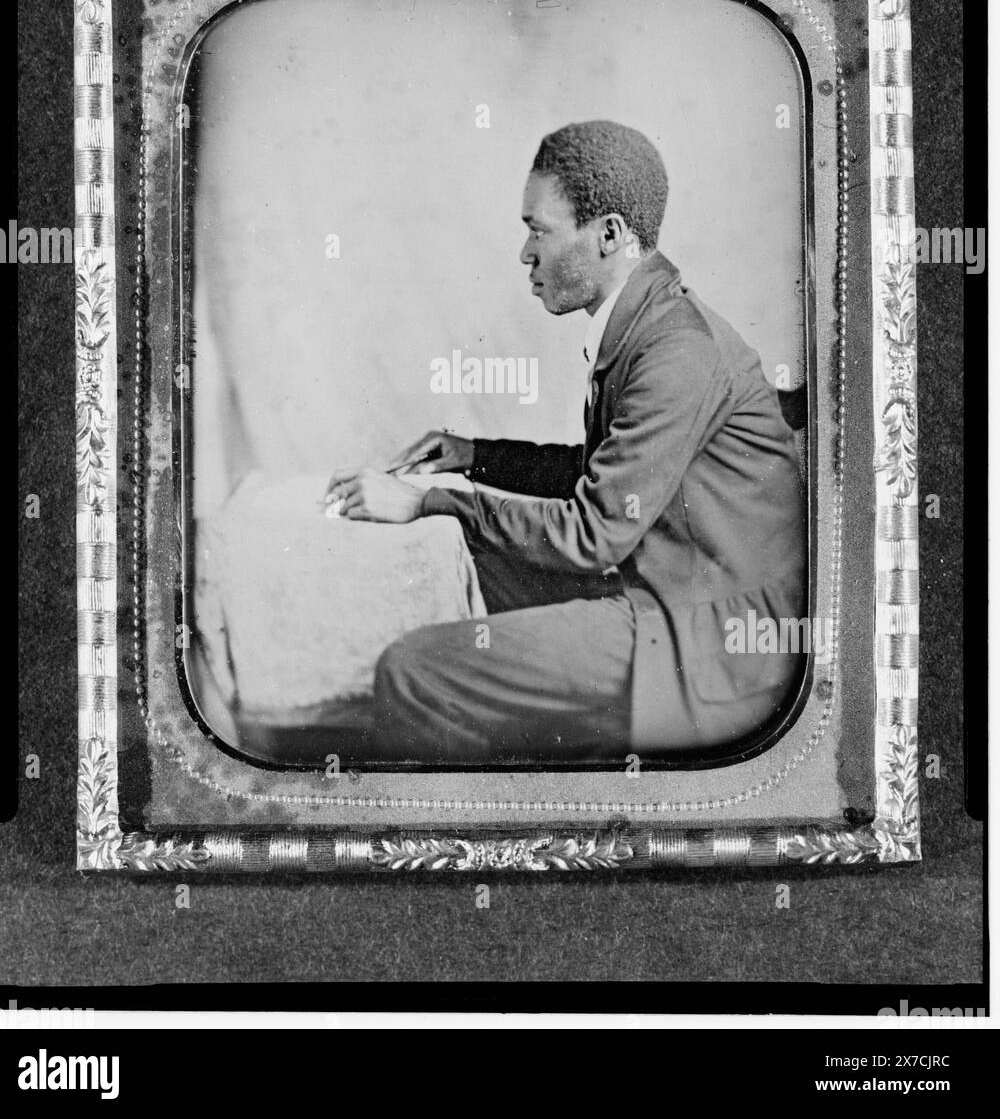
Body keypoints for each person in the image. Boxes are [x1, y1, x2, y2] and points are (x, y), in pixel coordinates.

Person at [326, 120, 807, 762]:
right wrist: (477, 457)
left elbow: (594, 531)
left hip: (709, 640)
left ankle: (495, 836)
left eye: (538, 229)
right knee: (480, 564)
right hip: (675, 595)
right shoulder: (651, 322)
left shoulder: (676, 351)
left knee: (413, 670)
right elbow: (603, 475)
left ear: (608, 234)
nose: (525, 253)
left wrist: (425, 502)